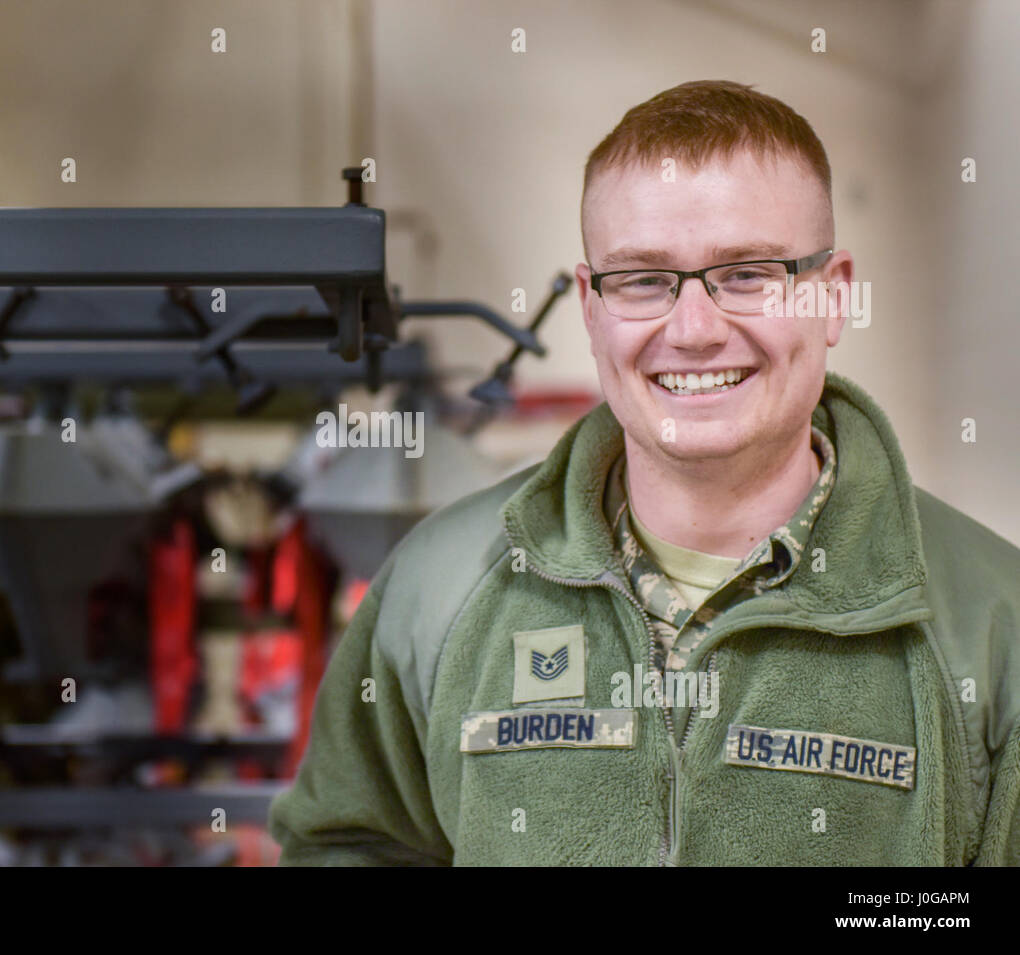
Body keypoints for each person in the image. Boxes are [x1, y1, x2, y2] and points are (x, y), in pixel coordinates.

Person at [267, 80, 1020, 865]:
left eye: (748, 273)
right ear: (592, 307)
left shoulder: (992, 626)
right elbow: (348, 843)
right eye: (644, 280)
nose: (693, 330)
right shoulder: (440, 588)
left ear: (832, 298)